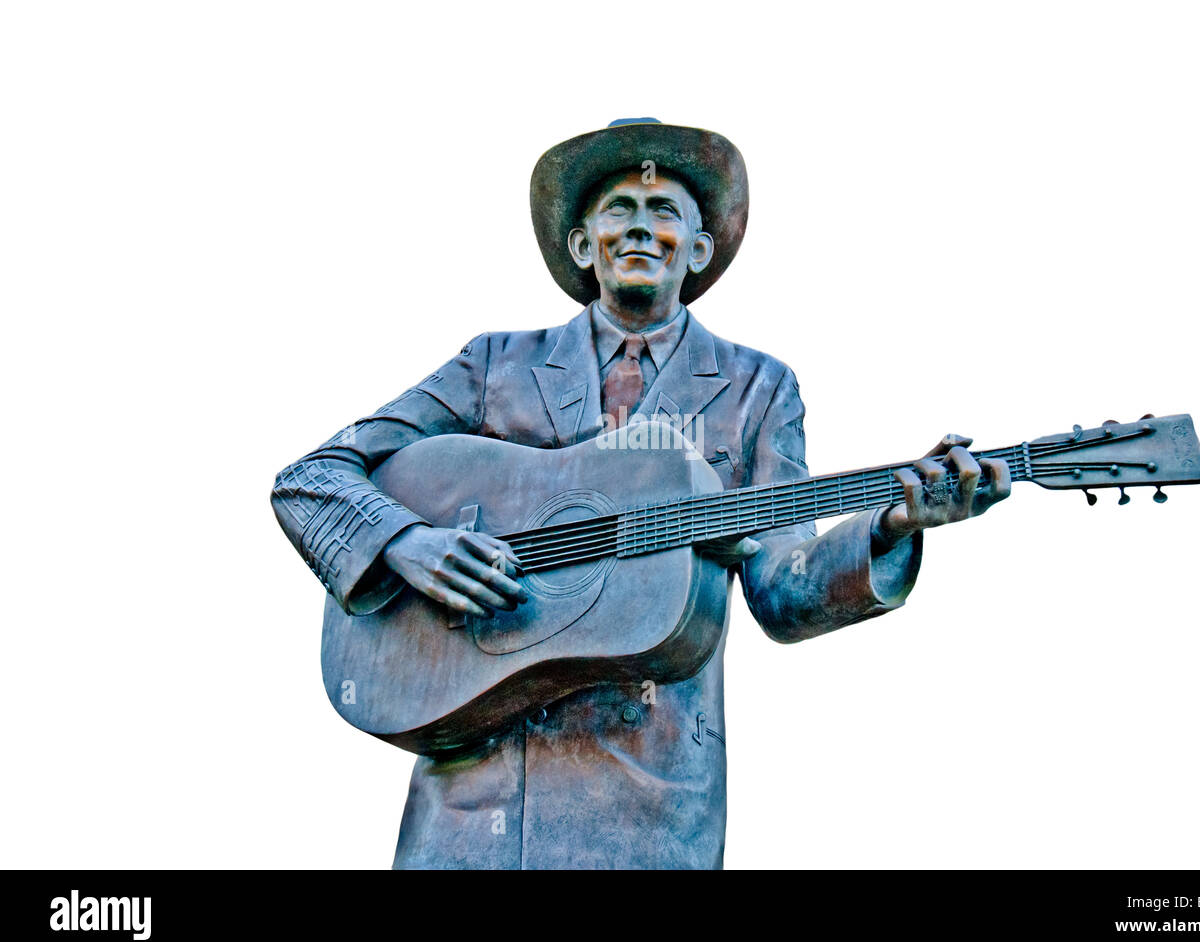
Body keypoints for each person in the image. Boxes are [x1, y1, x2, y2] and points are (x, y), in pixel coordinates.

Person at [271, 119, 1011, 868]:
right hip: (481, 793)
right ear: (583, 243)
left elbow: (783, 593)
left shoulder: (758, 390)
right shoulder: (496, 366)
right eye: (618, 206)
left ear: (697, 250)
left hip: (650, 802)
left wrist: (888, 526)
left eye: (664, 211)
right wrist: (407, 541)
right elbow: (313, 479)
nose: (639, 227)